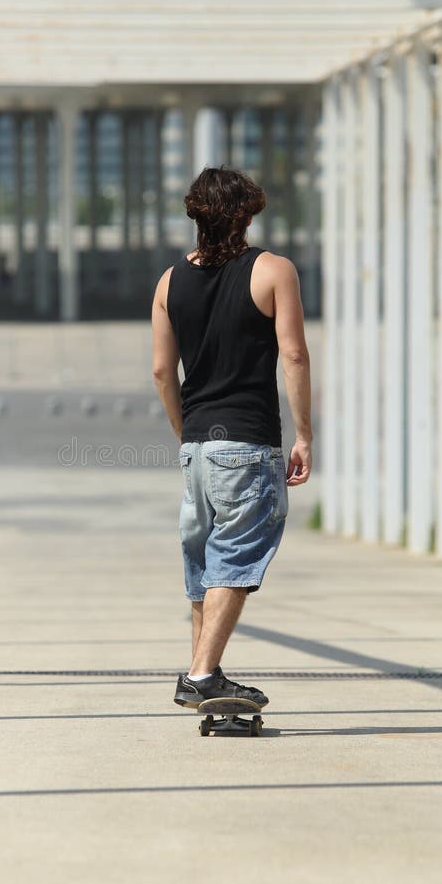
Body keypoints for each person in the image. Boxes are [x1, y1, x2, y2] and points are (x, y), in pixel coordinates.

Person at [151, 165, 312, 709]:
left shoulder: (169, 282)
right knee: (236, 561)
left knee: (205, 566)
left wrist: (185, 435)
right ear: (245, 215)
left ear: (195, 215)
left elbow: (160, 371)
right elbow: (292, 353)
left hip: (196, 447)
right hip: (246, 442)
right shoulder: (273, 271)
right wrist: (305, 433)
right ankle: (200, 676)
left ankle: (205, 673)